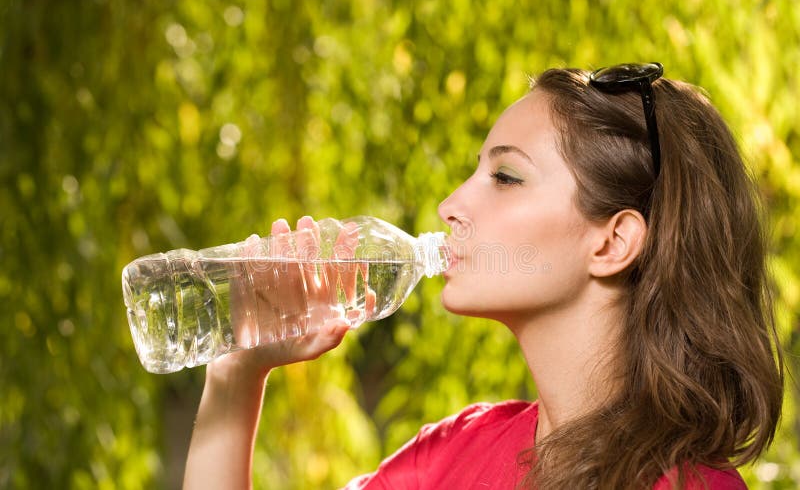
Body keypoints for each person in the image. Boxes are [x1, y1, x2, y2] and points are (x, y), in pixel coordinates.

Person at [183, 64, 784, 489]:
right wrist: (237, 375)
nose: (450, 205)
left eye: (506, 178)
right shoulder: (449, 457)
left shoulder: (687, 488)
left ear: (613, 241)